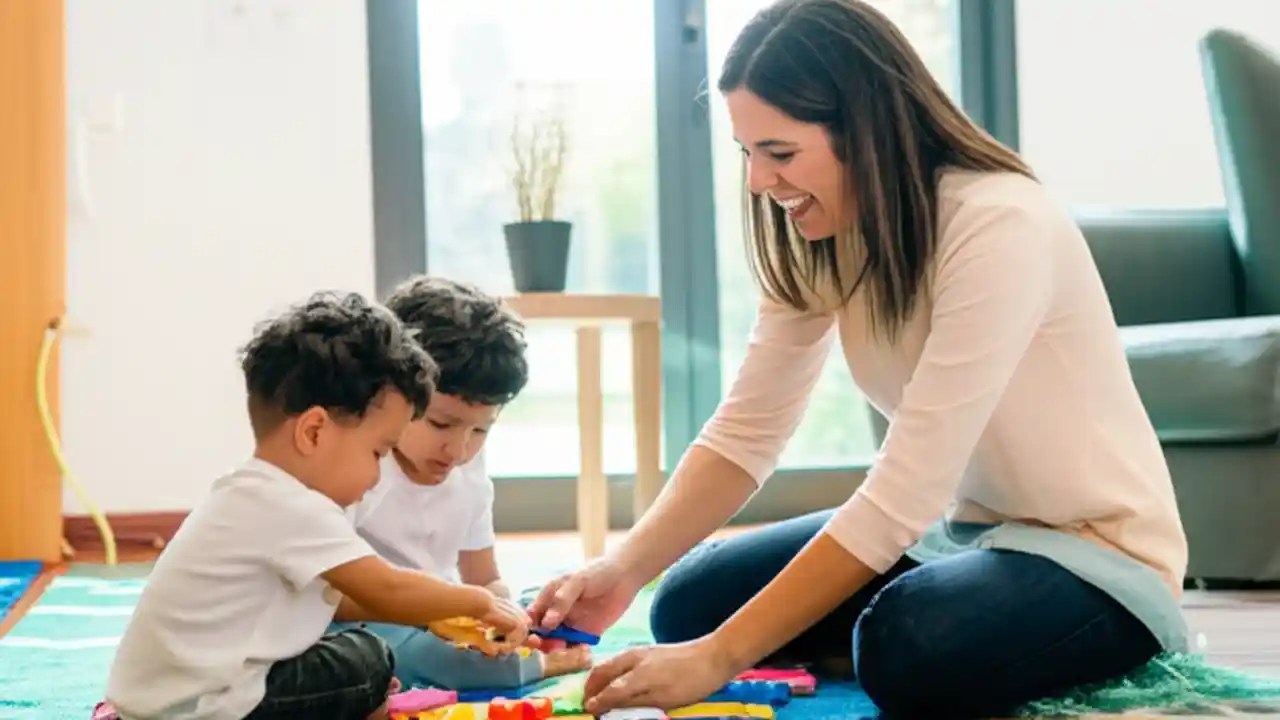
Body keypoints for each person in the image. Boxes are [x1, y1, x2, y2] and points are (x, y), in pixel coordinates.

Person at [527, 1, 1189, 717]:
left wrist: (723, 657)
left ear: (866, 131)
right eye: (747, 153)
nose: (757, 182)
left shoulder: (999, 224)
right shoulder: (829, 235)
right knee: (688, 604)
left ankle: (970, 632)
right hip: (966, 537)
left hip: (1096, 558)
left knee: (907, 643)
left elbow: (903, 490)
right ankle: (908, 625)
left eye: (779, 153)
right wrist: (620, 570)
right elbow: (745, 432)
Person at [106, 292, 531, 720]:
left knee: (353, 651)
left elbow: (350, 599)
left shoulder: (248, 489)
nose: (374, 476)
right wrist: (474, 602)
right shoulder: (296, 508)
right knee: (366, 659)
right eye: (376, 454)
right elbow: (386, 589)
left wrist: (439, 611)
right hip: (210, 705)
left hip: (162, 698)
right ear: (313, 432)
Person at [335, 276, 592, 690]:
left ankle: (524, 650)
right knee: (390, 654)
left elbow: (483, 577)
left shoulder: (468, 472)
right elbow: (328, 596)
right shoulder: (359, 471)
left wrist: (504, 617)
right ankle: (541, 667)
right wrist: (433, 611)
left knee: (539, 606)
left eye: (480, 431)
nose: (458, 450)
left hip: (450, 614)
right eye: (441, 423)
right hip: (371, 621)